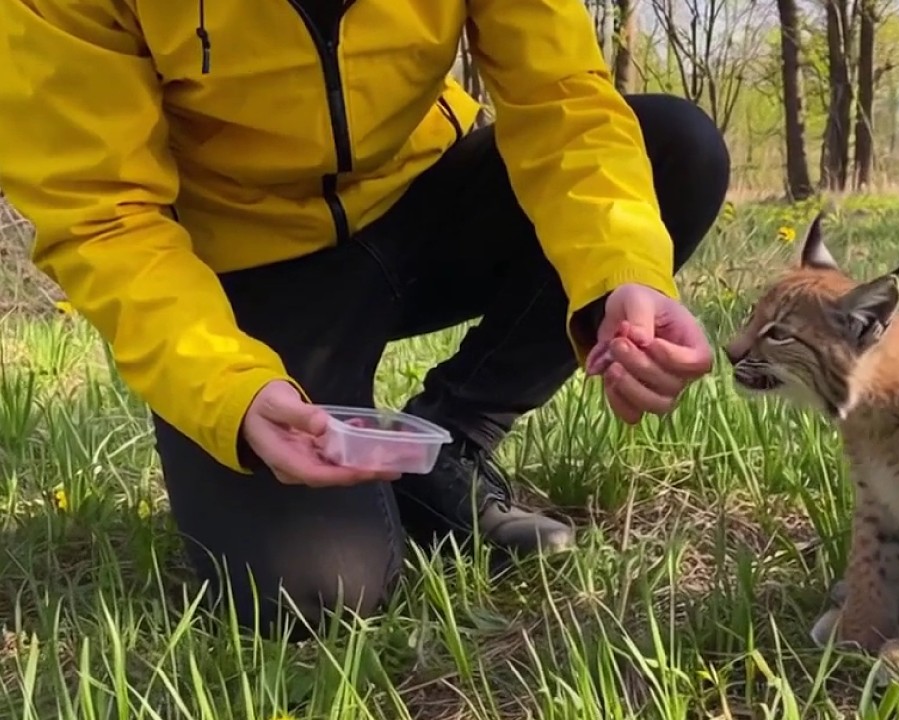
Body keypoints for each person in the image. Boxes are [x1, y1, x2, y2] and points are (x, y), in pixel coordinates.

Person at [0, 0, 729, 639]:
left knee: (673, 152)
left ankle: (454, 441)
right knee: (313, 592)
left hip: (425, 188)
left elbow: (563, 101)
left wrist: (623, 273)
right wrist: (229, 389)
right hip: (249, 258)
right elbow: (103, 216)